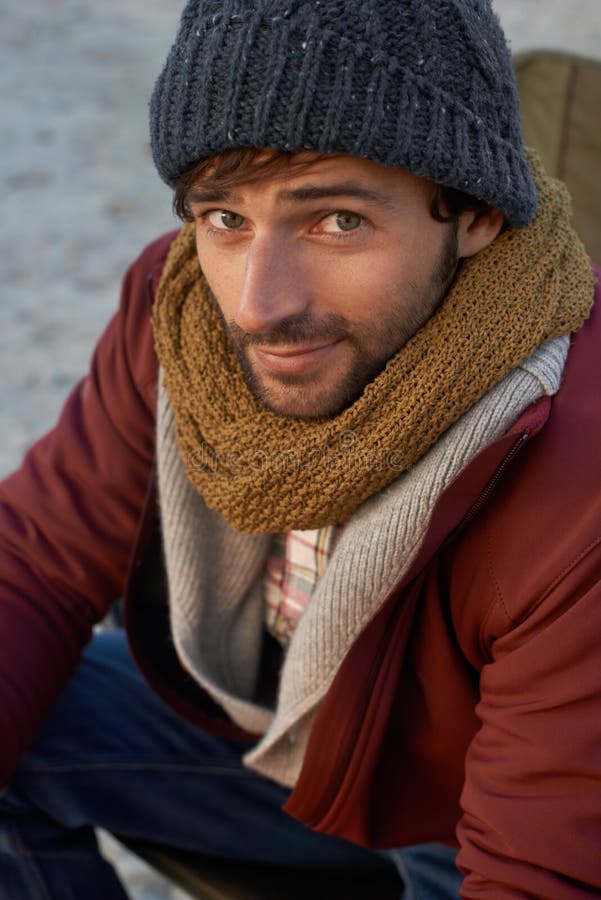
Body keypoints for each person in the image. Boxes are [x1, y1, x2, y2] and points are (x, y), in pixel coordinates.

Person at [0, 1, 599, 897]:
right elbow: (34, 564)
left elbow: (540, 872)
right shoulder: (181, 318)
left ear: (475, 215)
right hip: (271, 748)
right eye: (224, 218)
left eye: (336, 222)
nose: (256, 305)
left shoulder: (578, 479)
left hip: (480, 812)